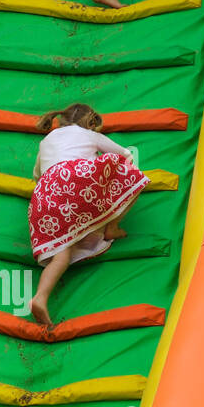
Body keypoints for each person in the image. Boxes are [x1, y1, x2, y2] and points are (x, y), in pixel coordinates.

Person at [27, 103, 149, 326]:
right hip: (77, 183)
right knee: (130, 173)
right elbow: (125, 154)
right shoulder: (88, 134)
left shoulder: (47, 140)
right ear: (91, 123)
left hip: (45, 195)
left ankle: (40, 297)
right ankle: (111, 226)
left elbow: (37, 175)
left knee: (61, 255)